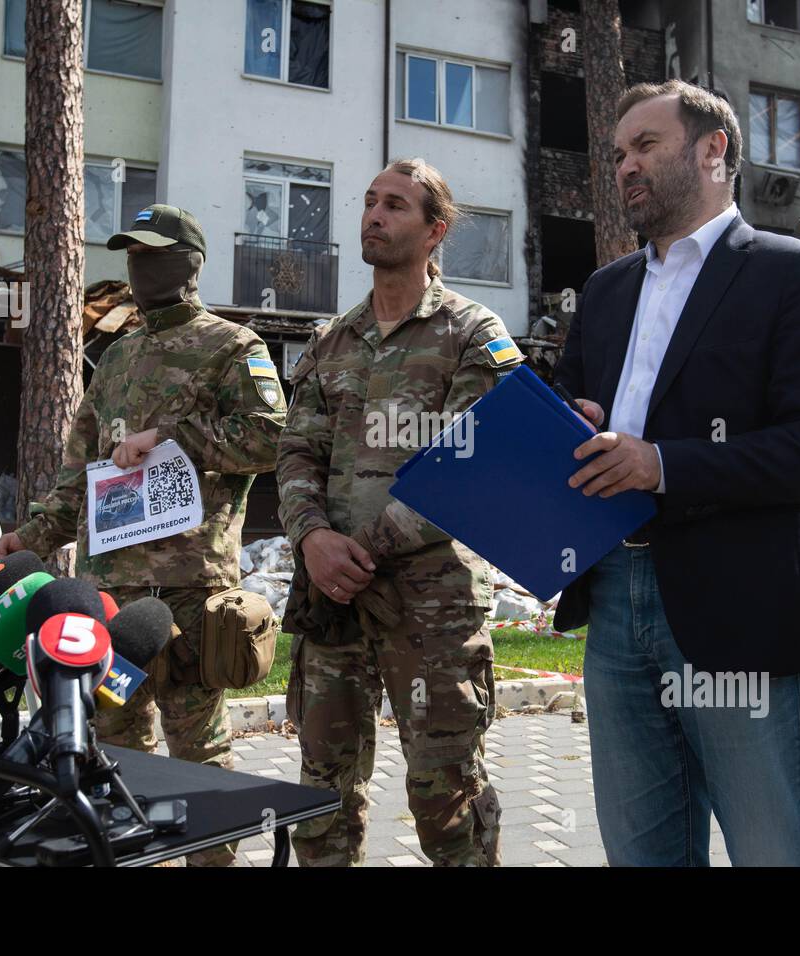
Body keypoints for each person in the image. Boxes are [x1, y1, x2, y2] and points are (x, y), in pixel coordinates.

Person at [552, 79, 800, 866]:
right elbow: (578, 413)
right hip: (614, 598)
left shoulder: (799, 273)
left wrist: (661, 465)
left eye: (645, 146)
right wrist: (576, 430)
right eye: (618, 152)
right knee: (642, 850)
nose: (625, 165)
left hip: (743, 604)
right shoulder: (606, 288)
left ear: (712, 149)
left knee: (773, 849)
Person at [0, 204, 286, 866]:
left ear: (191, 264)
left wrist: (176, 437)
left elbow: (272, 436)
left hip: (185, 596)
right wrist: (29, 534)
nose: (141, 265)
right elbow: (80, 476)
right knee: (117, 752)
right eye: (132, 253)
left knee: (197, 751)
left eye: (156, 252)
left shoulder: (233, 347)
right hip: (112, 604)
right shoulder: (116, 358)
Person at [277, 159, 520, 866]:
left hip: (431, 609)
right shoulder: (331, 342)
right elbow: (296, 455)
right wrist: (315, 539)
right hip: (333, 603)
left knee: (446, 799)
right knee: (321, 799)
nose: (374, 216)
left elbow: (471, 469)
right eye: (370, 202)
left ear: (434, 230)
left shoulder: (472, 333)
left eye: (396, 206)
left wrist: (362, 550)